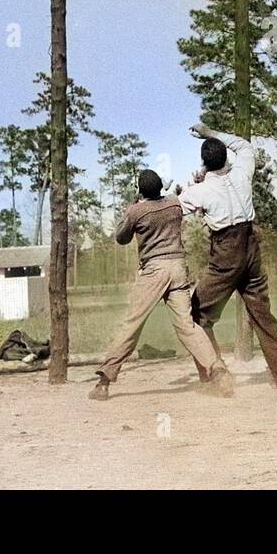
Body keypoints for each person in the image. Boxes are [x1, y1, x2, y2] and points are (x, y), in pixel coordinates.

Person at [89, 169, 234, 400]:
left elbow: (121, 237)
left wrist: (131, 206)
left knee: (132, 324)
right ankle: (216, 368)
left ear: (140, 190)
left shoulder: (137, 210)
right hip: (178, 268)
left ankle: (104, 381)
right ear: (159, 188)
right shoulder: (174, 205)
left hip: (153, 271)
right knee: (187, 326)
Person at [180, 123, 277, 390]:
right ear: (226, 157)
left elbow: (177, 207)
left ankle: (215, 376)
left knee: (196, 314)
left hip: (224, 253)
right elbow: (244, 146)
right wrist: (210, 131)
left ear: (204, 164)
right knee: (262, 314)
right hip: (251, 249)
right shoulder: (242, 172)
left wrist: (192, 183)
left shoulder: (199, 190)